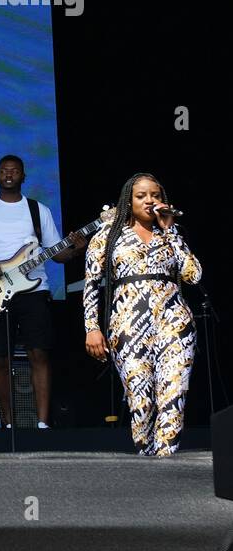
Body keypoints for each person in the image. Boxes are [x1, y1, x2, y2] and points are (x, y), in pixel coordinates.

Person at [83, 173, 201, 456]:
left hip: (174, 322)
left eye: (155, 195)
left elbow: (193, 275)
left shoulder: (171, 234)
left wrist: (170, 230)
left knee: (172, 397)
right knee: (141, 400)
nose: (150, 200)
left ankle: (166, 462)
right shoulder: (108, 236)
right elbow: (91, 284)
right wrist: (91, 327)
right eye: (141, 196)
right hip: (127, 324)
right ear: (128, 200)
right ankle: (146, 464)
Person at [0, 154, 84, 428]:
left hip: (35, 290)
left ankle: (42, 424)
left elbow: (58, 254)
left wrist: (76, 247)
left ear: (23, 176)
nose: (9, 174)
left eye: (15, 171)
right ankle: (7, 423)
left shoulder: (38, 211)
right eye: (4, 170)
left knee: (39, 353)